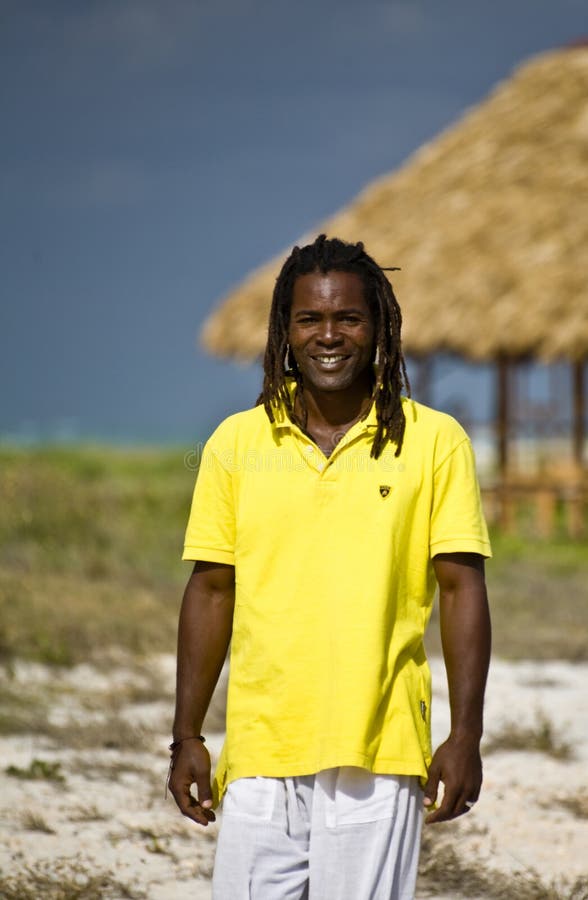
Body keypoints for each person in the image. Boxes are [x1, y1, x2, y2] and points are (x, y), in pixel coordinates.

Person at [169, 234, 492, 899]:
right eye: (309, 319)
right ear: (284, 331)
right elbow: (210, 591)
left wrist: (464, 736)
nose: (329, 335)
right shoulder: (237, 443)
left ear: (378, 327)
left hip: (380, 743)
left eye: (348, 317)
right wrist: (186, 737)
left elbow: (461, 590)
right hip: (261, 746)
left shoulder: (433, 441)